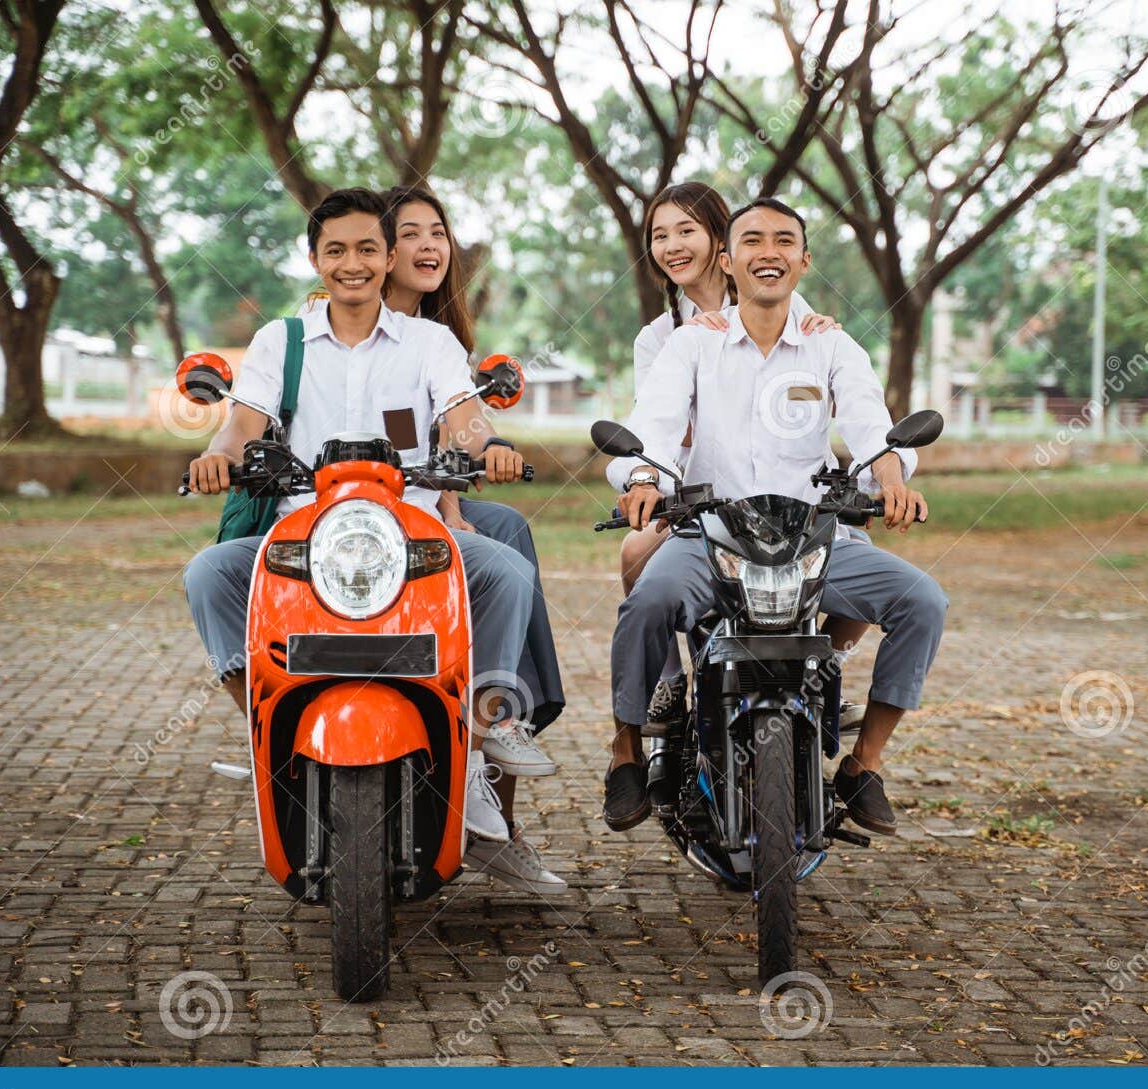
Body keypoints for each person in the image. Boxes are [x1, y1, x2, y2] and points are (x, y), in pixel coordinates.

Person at [180, 187, 539, 862]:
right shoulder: (279, 341)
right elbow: (240, 427)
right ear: (315, 258)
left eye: (368, 248)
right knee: (209, 573)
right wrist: (214, 458)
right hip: (302, 537)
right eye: (336, 250)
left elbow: (464, 416)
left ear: (388, 255)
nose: (354, 263)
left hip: (411, 535)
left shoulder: (430, 341)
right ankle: (263, 727)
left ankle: (479, 733)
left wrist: (485, 445)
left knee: (507, 571)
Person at [602, 197, 948, 837]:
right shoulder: (690, 343)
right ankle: (627, 749)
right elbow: (652, 422)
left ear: (803, 259)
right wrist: (643, 476)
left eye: (784, 240)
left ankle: (863, 764)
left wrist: (891, 478)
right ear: (728, 262)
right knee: (646, 604)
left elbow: (872, 423)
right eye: (752, 241)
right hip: (709, 535)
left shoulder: (832, 344)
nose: (770, 252)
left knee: (922, 601)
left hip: (809, 539)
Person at [376, 183, 567, 894]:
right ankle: (494, 726)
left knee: (509, 527)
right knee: (498, 540)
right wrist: (447, 502)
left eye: (439, 233)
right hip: (356, 516)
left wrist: (460, 488)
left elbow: (450, 426)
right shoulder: (334, 331)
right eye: (412, 233)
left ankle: (501, 739)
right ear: (377, 248)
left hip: (425, 500)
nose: (430, 246)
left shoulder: (437, 336)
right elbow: (394, 432)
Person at [627, 181, 871, 736]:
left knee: (863, 553)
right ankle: (668, 680)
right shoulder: (665, 336)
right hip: (696, 493)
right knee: (637, 550)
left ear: (719, 242)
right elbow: (663, 426)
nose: (672, 246)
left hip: (788, 498)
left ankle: (819, 666)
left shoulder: (791, 309)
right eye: (660, 236)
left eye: (685, 230)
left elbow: (816, 393)